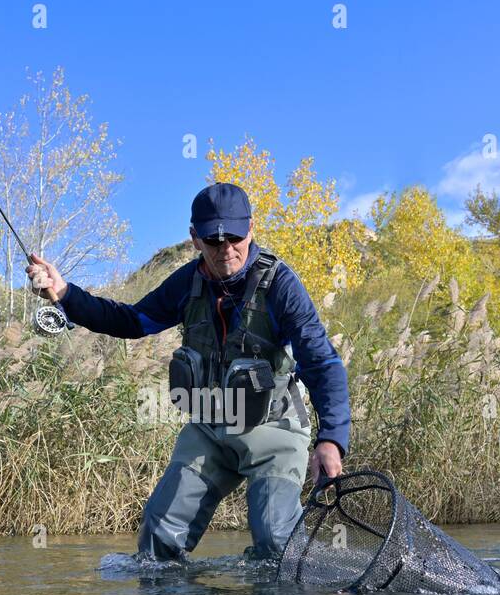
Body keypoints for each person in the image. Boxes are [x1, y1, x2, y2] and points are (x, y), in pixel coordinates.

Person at [25, 182, 349, 561]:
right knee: (157, 540)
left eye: (235, 236)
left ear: (252, 228)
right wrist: (65, 294)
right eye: (213, 239)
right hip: (210, 431)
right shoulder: (186, 283)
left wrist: (331, 439)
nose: (225, 248)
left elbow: (322, 362)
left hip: (274, 430)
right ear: (195, 238)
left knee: (276, 542)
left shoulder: (281, 285)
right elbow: (130, 321)